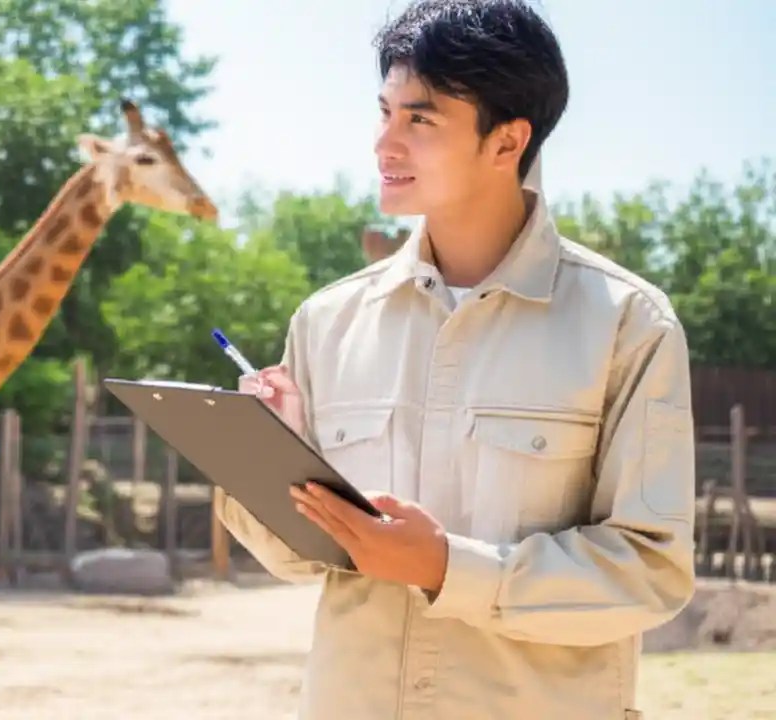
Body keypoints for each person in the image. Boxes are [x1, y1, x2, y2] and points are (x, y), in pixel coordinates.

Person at [217, 1, 697, 718]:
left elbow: (650, 572)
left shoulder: (627, 324)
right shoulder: (327, 322)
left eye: (420, 119)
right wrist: (266, 457)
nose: (385, 143)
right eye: (383, 112)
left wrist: (449, 569)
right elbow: (294, 557)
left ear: (507, 143)